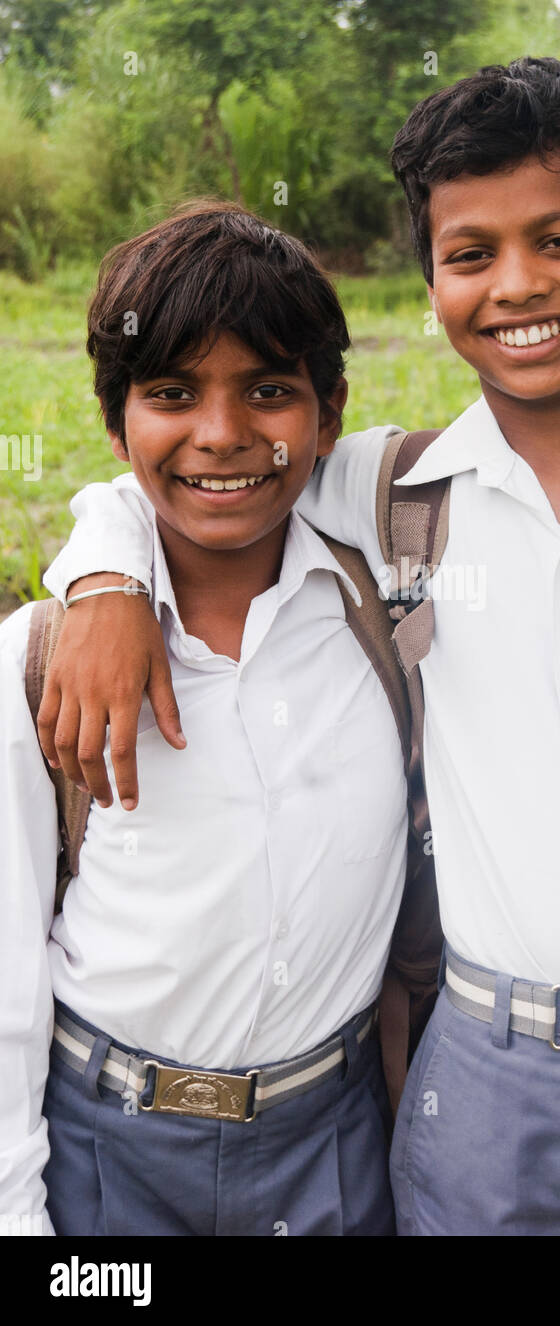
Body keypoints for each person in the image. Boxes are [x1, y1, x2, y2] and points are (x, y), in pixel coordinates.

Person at [34, 60, 560, 1236]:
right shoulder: (388, 490)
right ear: (430, 284)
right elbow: (194, 462)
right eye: (471, 255)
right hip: (482, 1080)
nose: (518, 285)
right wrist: (106, 570)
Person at [0, 202, 419, 1237]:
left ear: (328, 413)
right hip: (106, 1151)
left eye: (270, 391)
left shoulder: (392, 615)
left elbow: (553, 496)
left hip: (336, 1139)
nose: (222, 435)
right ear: (116, 421)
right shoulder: (40, 661)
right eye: (172, 393)